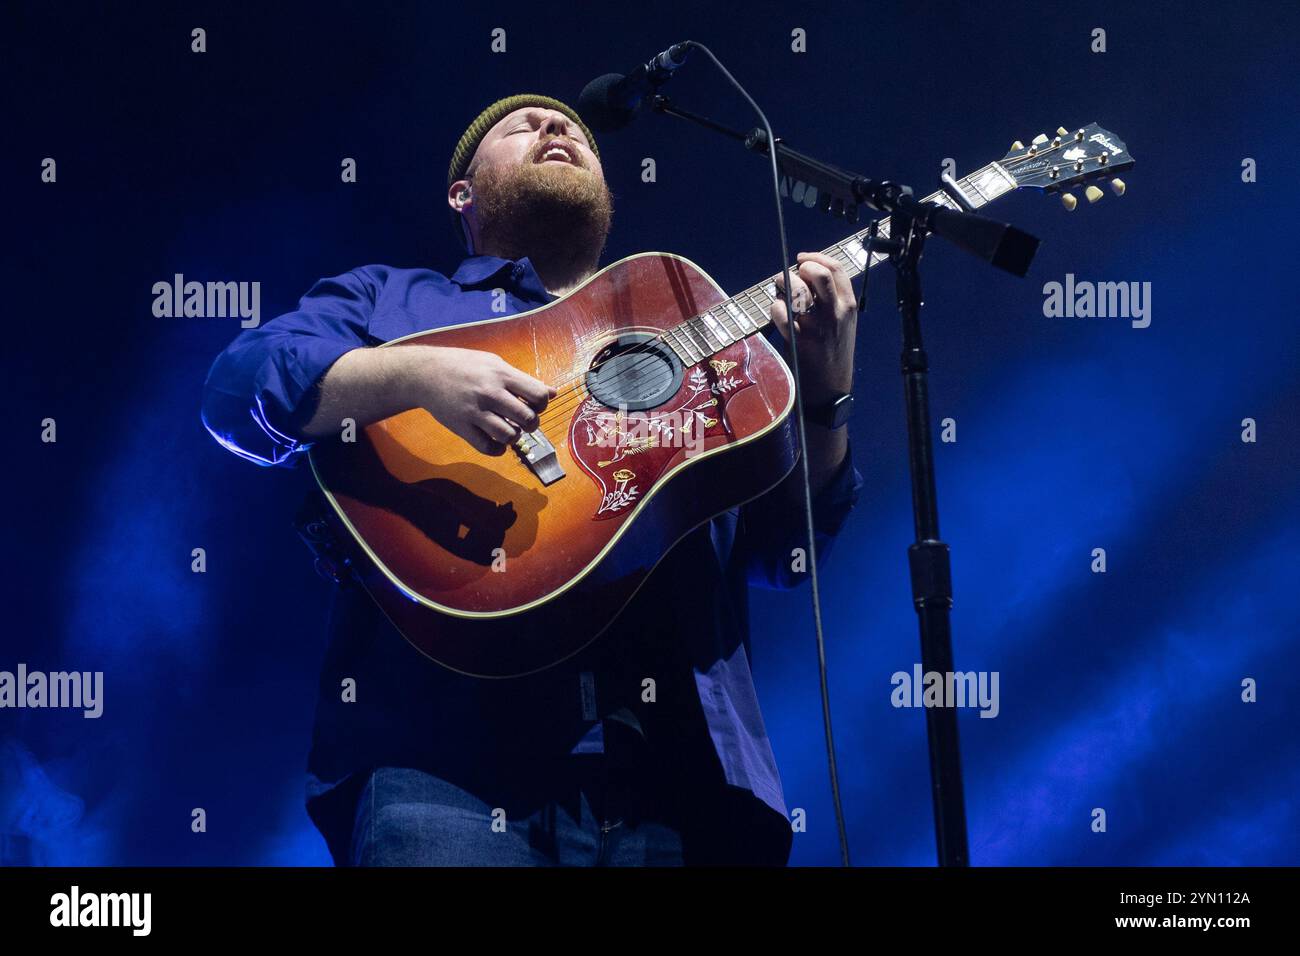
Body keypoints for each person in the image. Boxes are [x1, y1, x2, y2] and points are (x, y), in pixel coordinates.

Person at [201, 93, 864, 866]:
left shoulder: (677, 309)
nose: (557, 127)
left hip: (682, 781)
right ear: (463, 194)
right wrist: (418, 371)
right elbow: (237, 388)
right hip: (443, 767)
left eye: (574, 128)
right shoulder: (391, 299)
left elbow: (785, 556)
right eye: (523, 126)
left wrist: (825, 394)